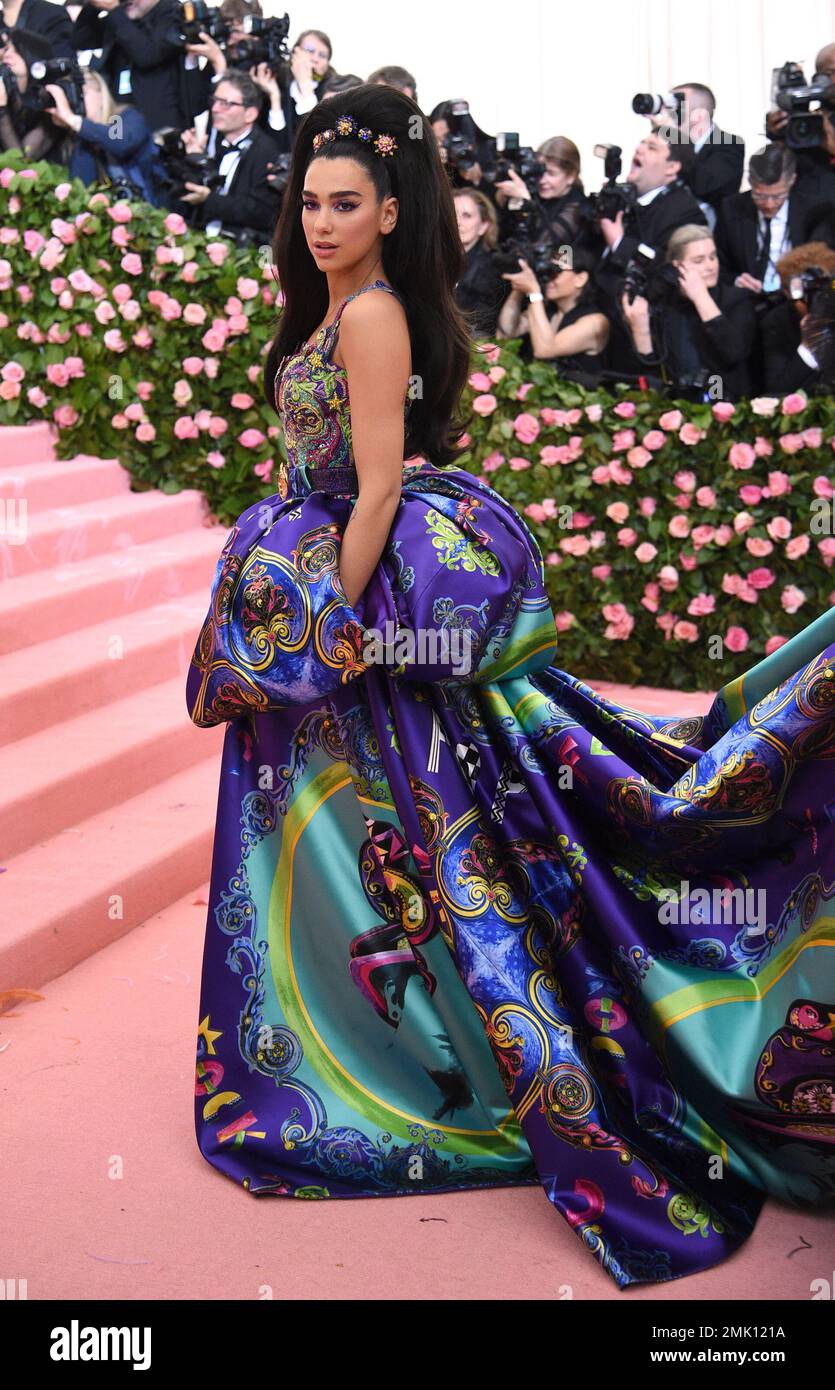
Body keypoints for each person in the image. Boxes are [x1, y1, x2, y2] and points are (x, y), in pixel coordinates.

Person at [186, 83, 835, 1293]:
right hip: (334, 640)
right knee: (384, 863)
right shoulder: (332, 307)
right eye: (309, 201)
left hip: (355, 646)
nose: (322, 221)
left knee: (434, 863)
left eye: (346, 204)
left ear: (388, 212)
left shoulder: (373, 317)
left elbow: (376, 491)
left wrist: (327, 633)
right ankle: (361, 1065)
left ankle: (418, 1082)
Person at [620, 224, 757, 398]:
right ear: (677, 266)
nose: (710, 266)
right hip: (674, 402)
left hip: (724, 398)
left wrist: (701, 298)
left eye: (713, 257)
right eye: (699, 261)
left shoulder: (737, 298)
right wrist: (641, 331)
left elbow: (732, 353)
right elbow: (650, 374)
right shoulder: (663, 304)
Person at [44, 68, 167, 205]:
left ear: (100, 92)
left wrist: (73, 120)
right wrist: (77, 127)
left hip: (149, 208)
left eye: (82, 93)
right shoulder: (81, 135)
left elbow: (120, 142)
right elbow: (82, 187)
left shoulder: (121, 117)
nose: (78, 101)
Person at [715, 144, 817, 297]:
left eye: (778, 196)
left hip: (797, 299)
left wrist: (805, 283)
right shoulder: (731, 209)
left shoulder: (813, 212)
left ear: (792, 180)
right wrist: (736, 280)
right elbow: (718, 266)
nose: (769, 205)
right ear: (750, 181)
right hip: (747, 299)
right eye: (760, 196)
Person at [498, 244, 610, 374]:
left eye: (556, 271)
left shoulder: (596, 322)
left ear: (580, 279)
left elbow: (545, 349)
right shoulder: (546, 310)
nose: (549, 278)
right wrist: (519, 289)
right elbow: (505, 335)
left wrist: (533, 292)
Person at [760, 241, 835, 393]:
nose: (816, 301)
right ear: (787, 293)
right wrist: (810, 345)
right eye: (808, 294)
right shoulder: (777, 323)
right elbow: (777, 392)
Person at [0, 27, 72, 163]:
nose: (7, 55)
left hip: (44, 178)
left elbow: (22, 163)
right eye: (6, 49)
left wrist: (1, 111)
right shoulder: (8, 92)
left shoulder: (47, 99)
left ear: (32, 55)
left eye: (16, 50)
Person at [452, 187, 508, 338]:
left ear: (483, 226)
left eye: (466, 216)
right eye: (452, 213)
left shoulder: (493, 266)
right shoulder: (432, 259)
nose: (457, 222)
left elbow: (482, 326)